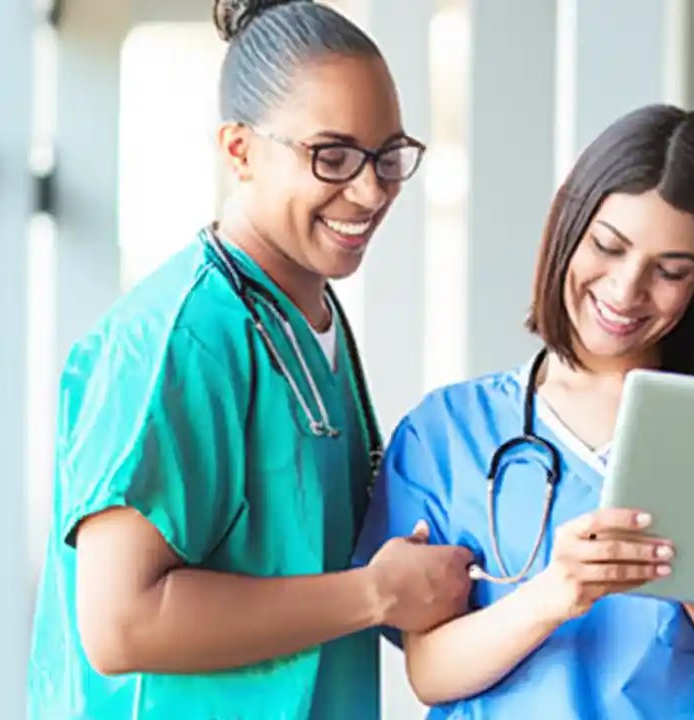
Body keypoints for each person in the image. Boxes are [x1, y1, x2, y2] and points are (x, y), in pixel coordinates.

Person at [26, 2, 473, 718]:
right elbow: (119, 623)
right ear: (239, 150)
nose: (370, 191)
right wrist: (375, 593)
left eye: (387, 156)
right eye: (331, 157)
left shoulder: (308, 317)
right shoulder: (181, 337)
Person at [352, 104, 694, 719]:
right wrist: (557, 592)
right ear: (569, 227)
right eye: (607, 247)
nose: (625, 290)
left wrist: (686, 558)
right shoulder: (449, 431)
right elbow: (429, 671)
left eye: (670, 271)